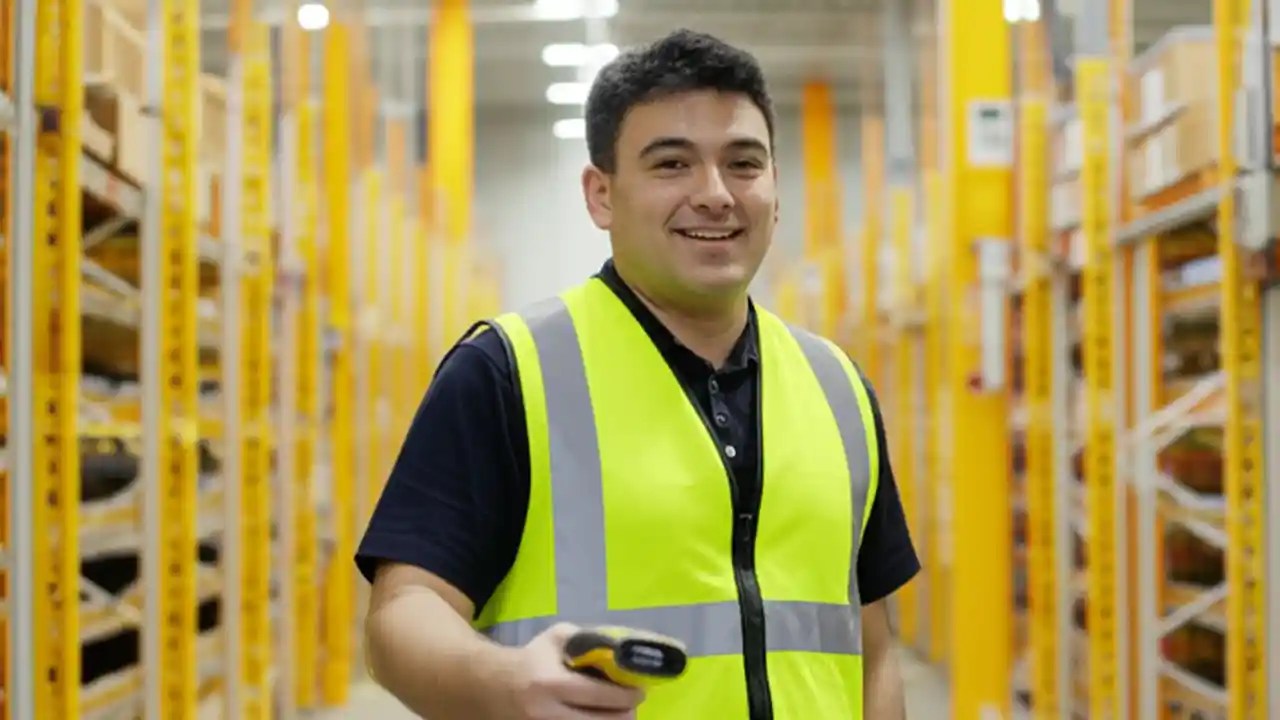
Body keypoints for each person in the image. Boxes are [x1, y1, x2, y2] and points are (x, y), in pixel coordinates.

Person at [358, 28, 920, 720]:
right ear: (601, 195)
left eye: (744, 163)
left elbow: (873, 648)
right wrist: (503, 683)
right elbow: (402, 612)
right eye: (672, 164)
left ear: (776, 191)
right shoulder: (507, 372)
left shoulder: (837, 389)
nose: (715, 194)